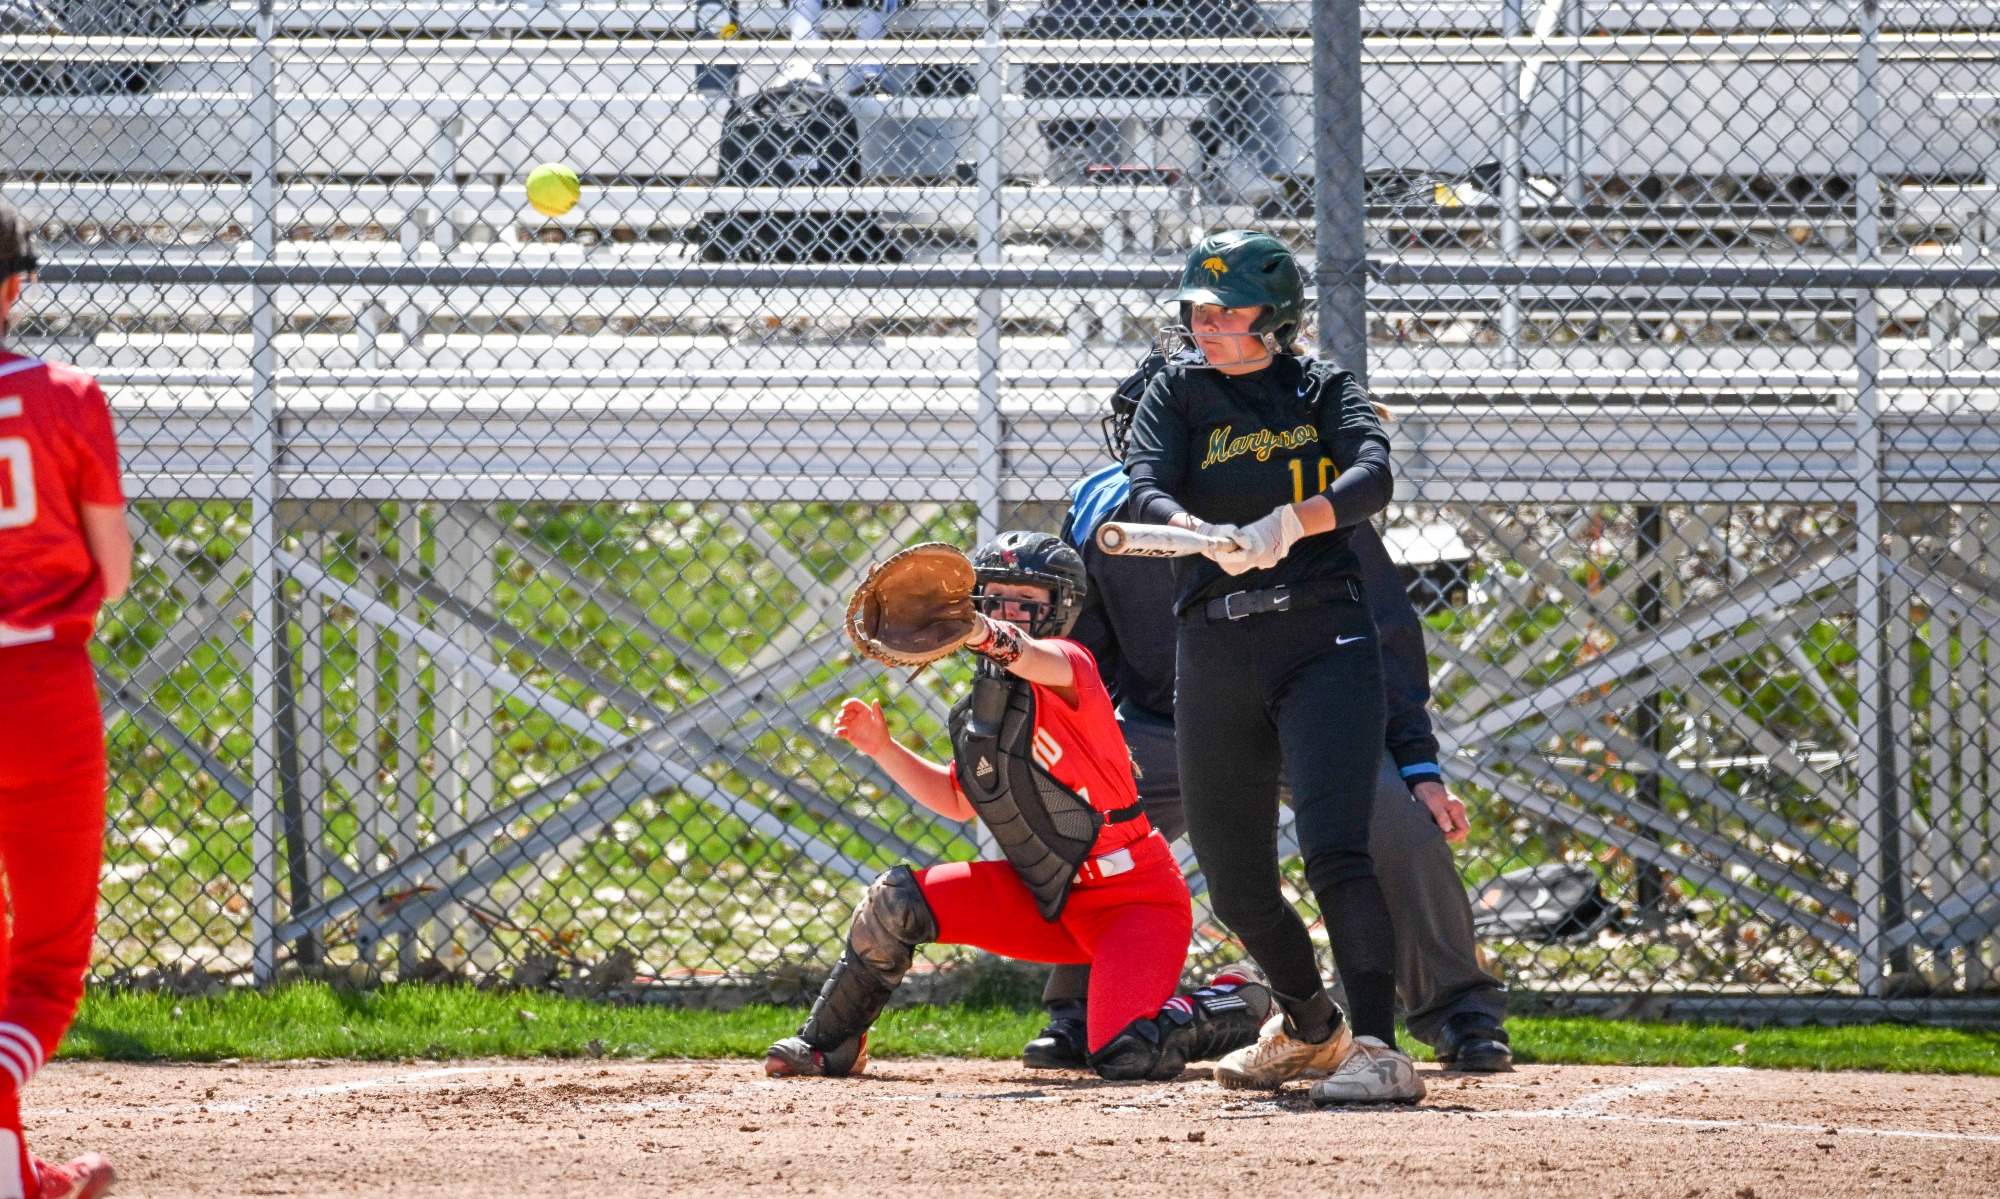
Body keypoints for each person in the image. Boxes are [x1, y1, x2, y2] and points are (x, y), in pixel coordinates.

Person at [1020, 434, 1510, 1073]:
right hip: (1168, 727)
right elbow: (1089, 645)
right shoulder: (1104, 505)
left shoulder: (1305, 494)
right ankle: (1085, 1007)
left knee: (1401, 828)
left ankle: (1459, 1011)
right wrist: (1082, 753)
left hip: (1311, 716)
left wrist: (1417, 763)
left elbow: (1381, 633)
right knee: (1084, 819)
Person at [766, 532, 1270, 1082]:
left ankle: (1241, 998)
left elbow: (1027, 654)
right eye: (996, 599)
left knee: (1127, 1053)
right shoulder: (982, 707)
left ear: (1061, 609)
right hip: (1047, 895)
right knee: (894, 903)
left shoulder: (1071, 665)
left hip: (1134, 904)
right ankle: (826, 1045)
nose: (1010, 612)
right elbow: (958, 801)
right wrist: (881, 747)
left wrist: (982, 630)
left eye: (1028, 602)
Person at [1122, 229, 1431, 1104]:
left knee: (1336, 845)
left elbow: (1373, 475)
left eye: (1227, 309)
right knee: (1232, 876)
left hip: (1322, 636)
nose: (1207, 322)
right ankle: (1308, 1025)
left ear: (1278, 318)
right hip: (1214, 637)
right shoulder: (1175, 391)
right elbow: (1144, 482)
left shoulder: (1321, 386)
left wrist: (1293, 522)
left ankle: (1378, 1046)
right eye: (1198, 308)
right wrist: (1186, 529)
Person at [0, 198, 127, 1198]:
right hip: (40, 687)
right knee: (45, 962)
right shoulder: (71, 394)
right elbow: (114, 571)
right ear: (14, 288)